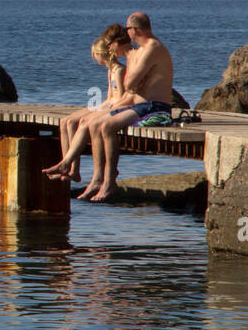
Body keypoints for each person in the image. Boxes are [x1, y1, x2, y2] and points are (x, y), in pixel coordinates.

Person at [44, 12, 173, 202]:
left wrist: (133, 81)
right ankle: (91, 176)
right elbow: (132, 84)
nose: (126, 34)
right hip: (141, 106)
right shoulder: (141, 50)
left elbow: (130, 83)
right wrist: (133, 81)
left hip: (155, 108)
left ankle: (108, 181)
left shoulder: (152, 47)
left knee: (105, 126)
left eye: (127, 30)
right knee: (93, 123)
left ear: (134, 30)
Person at [49, 24, 131, 184]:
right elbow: (108, 96)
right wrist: (97, 107)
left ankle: (73, 169)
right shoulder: (110, 70)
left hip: (114, 107)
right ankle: (69, 166)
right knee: (66, 121)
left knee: (76, 122)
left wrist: (102, 110)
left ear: (102, 53)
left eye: (95, 54)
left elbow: (119, 96)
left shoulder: (119, 70)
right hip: (107, 104)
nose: (94, 58)